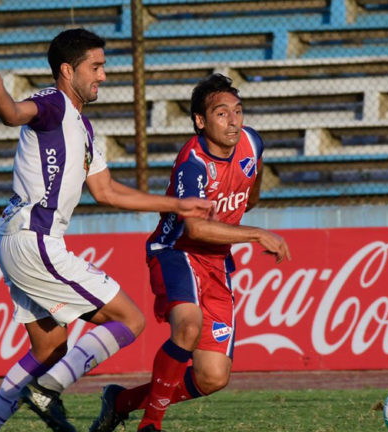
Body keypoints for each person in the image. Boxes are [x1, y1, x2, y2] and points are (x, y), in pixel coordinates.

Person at [0, 28, 212, 432]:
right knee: (130, 320)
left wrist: (178, 204)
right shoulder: (53, 102)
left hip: (16, 240)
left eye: (104, 67)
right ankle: (49, 389)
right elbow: (13, 114)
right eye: (95, 67)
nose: (103, 76)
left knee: (49, 345)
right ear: (67, 70)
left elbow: (107, 191)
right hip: (34, 239)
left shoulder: (84, 128)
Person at [87, 73, 291, 432]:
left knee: (213, 377)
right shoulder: (192, 162)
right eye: (221, 113)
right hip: (176, 252)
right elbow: (195, 228)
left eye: (238, 111)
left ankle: (121, 401)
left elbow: (252, 191)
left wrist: (245, 209)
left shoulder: (252, 142)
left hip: (216, 262)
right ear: (201, 120)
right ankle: (151, 424)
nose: (233, 120)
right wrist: (256, 234)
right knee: (188, 329)